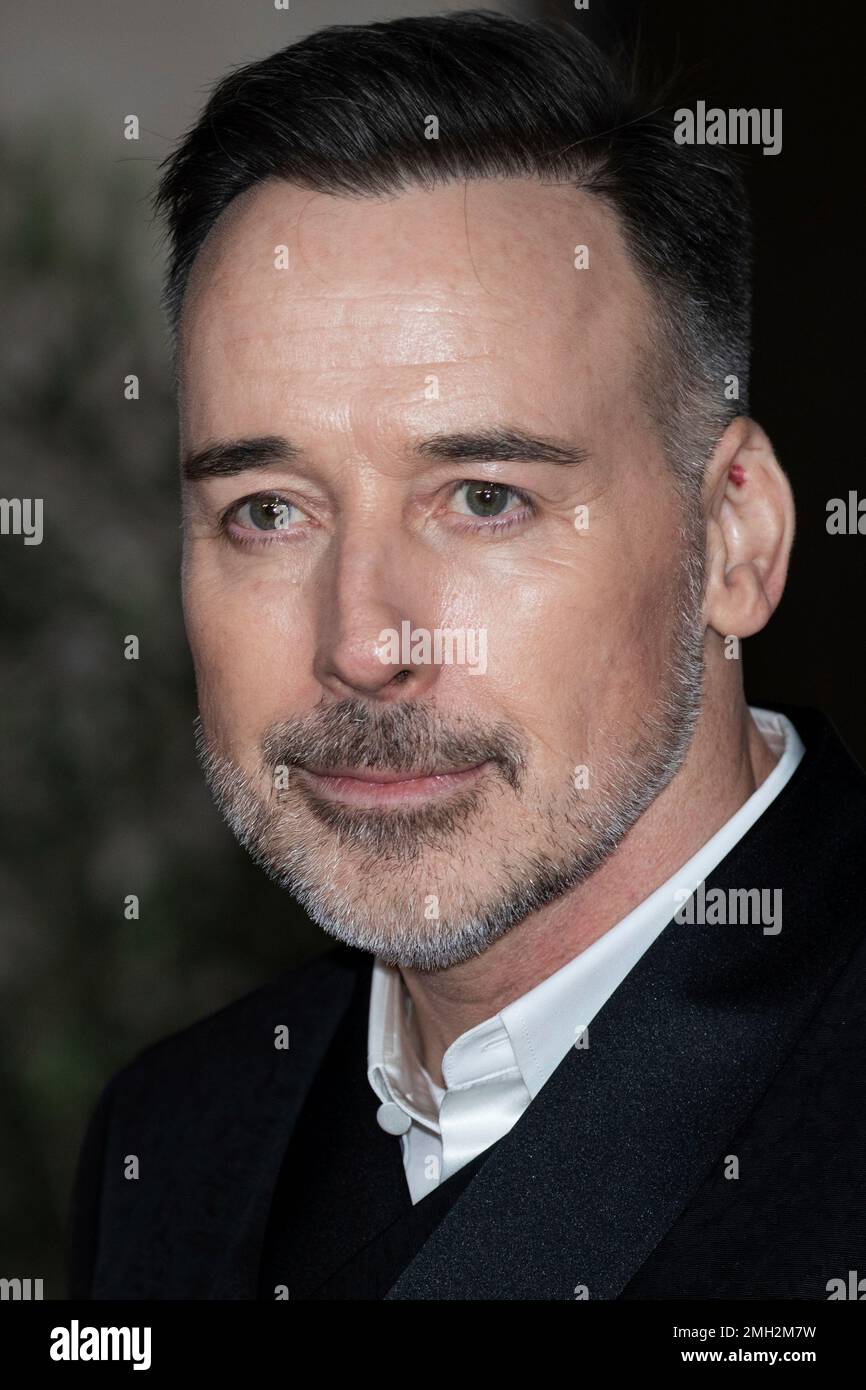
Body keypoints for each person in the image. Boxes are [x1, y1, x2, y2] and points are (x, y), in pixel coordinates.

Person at [68, 10, 866, 1300]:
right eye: (268, 511)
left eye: (485, 497)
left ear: (734, 537)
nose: (364, 643)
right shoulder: (172, 1143)